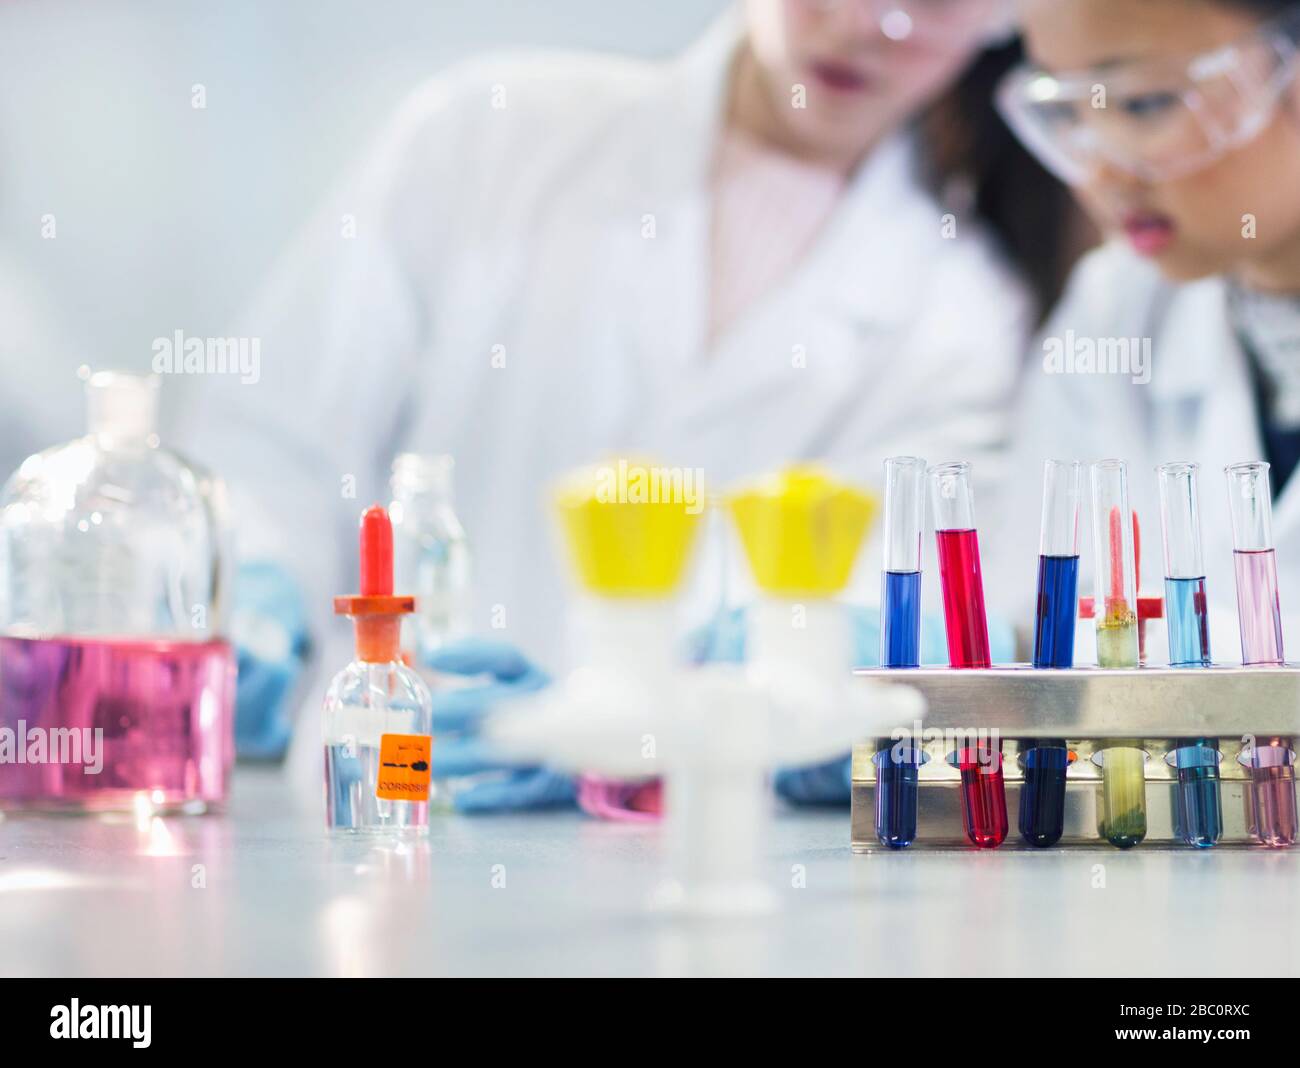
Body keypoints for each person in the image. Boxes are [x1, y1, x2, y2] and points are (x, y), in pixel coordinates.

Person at [181, 1, 1072, 807]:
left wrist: (738, 687)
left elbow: (877, 586)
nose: (870, 22)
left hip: (673, 833)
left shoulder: (963, 311)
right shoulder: (486, 134)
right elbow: (275, 440)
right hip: (376, 791)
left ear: (1005, 20)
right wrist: (253, 590)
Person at [990, 0, 1300, 661]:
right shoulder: (1117, 308)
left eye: (1142, 103)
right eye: (1066, 111)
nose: (1100, 171)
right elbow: (1035, 622)